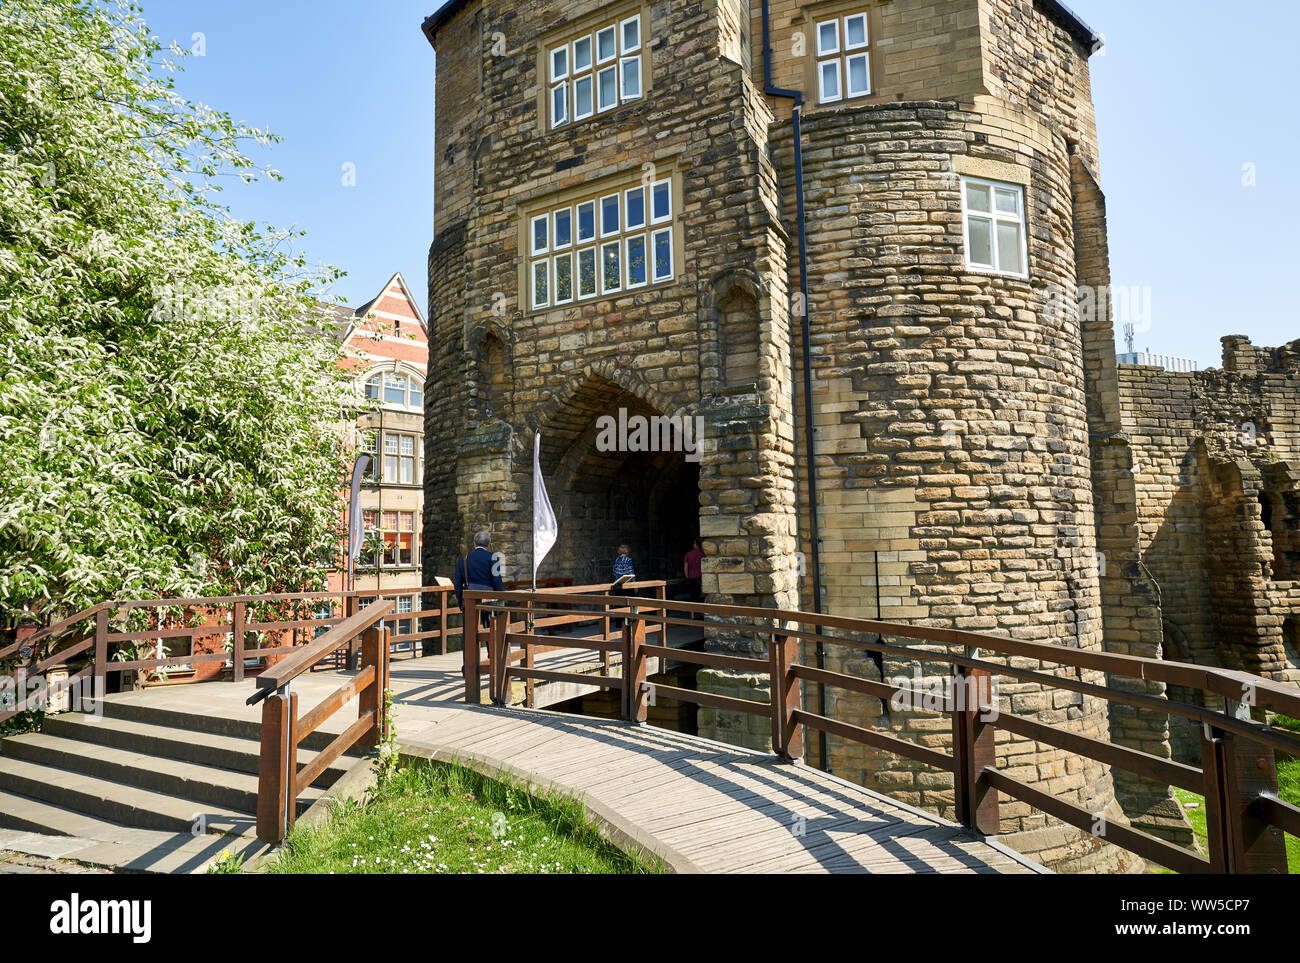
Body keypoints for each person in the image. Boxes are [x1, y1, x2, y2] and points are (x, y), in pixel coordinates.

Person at [454, 530, 505, 638]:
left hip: (470, 599)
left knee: (468, 632)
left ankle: (467, 654)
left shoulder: (463, 559)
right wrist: (501, 598)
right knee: (489, 630)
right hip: (488, 599)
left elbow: (458, 584)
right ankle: (491, 652)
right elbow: (497, 581)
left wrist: (461, 602)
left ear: (474, 544)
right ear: (488, 544)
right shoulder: (493, 557)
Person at [611, 543, 635, 630]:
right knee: (629, 603)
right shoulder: (628, 560)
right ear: (627, 551)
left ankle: (619, 623)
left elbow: (614, 573)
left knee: (619, 604)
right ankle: (629, 622)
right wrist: (634, 584)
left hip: (618, 584)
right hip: (627, 584)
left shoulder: (617, 560)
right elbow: (630, 572)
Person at [683, 539, 704, 611]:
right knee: (701, 597)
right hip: (701, 578)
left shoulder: (688, 554)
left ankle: (692, 614)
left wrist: (687, 577)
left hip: (691, 577)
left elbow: (686, 567)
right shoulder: (703, 554)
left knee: (692, 597)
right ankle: (702, 613)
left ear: (695, 544)